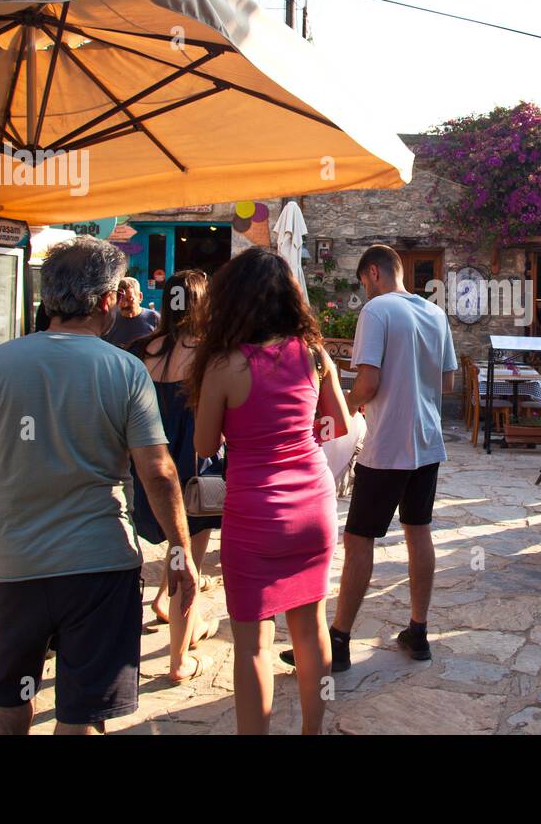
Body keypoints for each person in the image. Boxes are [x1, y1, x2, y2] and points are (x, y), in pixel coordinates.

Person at [0, 236, 196, 735]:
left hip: (16, 564)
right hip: (99, 566)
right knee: (81, 714)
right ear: (106, 301)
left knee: (11, 691)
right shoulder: (124, 369)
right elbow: (159, 472)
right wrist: (179, 549)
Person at [191, 247, 351, 735]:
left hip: (255, 510)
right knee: (311, 629)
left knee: (254, 645)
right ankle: (313, 731)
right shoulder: (314, 355)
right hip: (313, 504)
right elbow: (339, 424)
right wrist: (296, 432)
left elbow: (203, 444)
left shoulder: (224, 365)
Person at [283, 244, 456, 675]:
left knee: (359, 538)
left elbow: (369, 382)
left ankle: (338, 639)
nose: (365, 292)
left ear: (374, 273)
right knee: (419, 532)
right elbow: (448, 382)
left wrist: (345, 402)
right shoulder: (435, 314)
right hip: (427, 441)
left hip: (388, 444)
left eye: (363, 284)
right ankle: (418, 629)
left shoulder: (377, 312)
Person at [127, 269, 221, 684]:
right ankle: (179, 660)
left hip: (148, 466)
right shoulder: (212, 355)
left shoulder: (139, 350)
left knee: (173, 548)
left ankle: (165, 602)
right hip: (194, 470)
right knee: (189, 561)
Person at [103, 277, 159, 348]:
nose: (124, 304)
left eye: (129, 299)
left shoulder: (154, 318)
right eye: (120, 299)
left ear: (140, 297)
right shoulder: (109, 319)